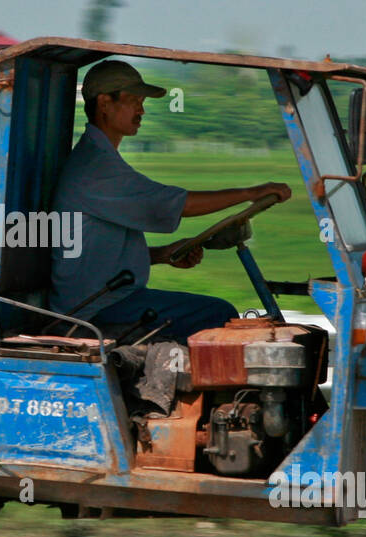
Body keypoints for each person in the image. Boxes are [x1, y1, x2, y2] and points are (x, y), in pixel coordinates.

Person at [48, 59, 291, 343]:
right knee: (218, 313)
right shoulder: (96, 169)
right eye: (133, 101)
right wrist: (251, 193)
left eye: (141, 102)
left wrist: (163, 255)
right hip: (94, 311)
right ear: (104, 103)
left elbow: (103, 255)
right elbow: (176, 205)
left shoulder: (100, 160)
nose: (142, 110)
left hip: (107, 299)